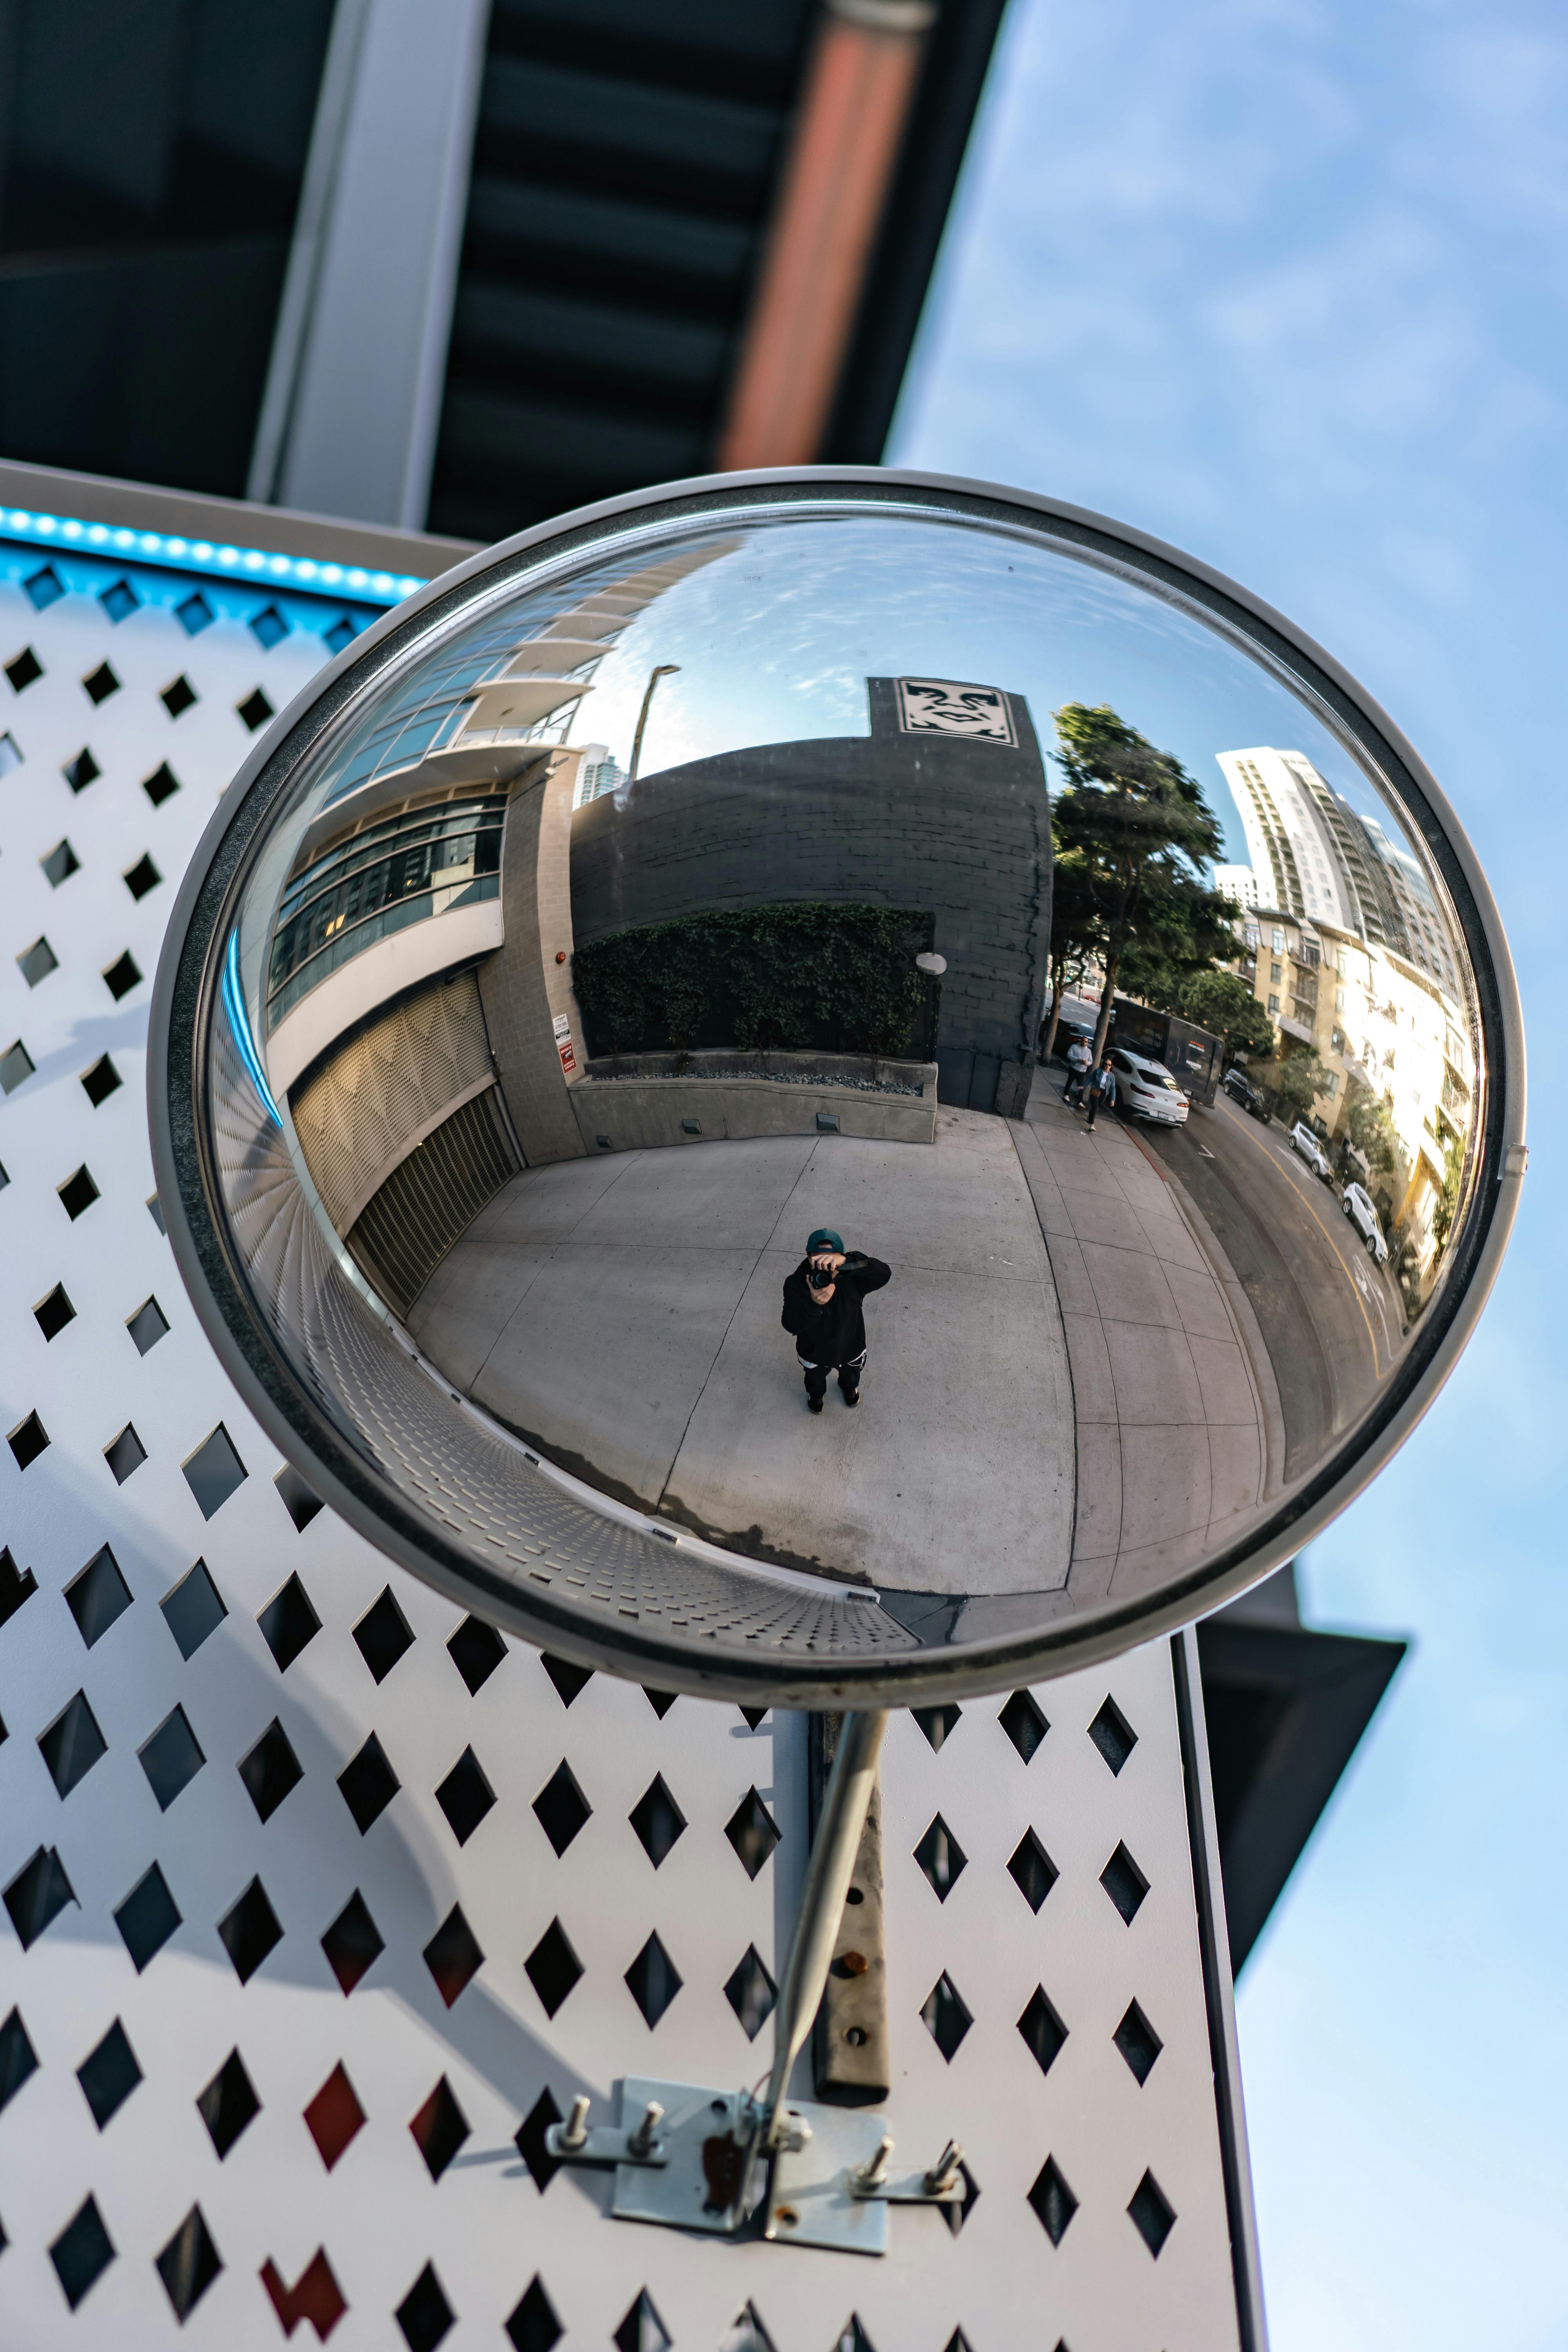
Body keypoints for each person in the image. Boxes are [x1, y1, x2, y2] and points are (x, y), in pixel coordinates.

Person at [780, 1227, 892, 1414]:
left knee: (851, 1375)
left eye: (830, 1261)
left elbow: (884, 1274)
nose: (823, 1268)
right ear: (809, 1257)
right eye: (818, 1261)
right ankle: (816, 1395)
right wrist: (814, 1304)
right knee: (814, 1378)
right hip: (814, 1351)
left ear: (839, 1259)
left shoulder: (853, 1279)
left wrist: (850, 1262)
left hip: (849, 1346)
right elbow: (791, 1324)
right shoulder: (796, 1283)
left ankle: (849, 1388)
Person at [1083, 1051, 1116, 1130]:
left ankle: (1090, 1116)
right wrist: (1083, 1086)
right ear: (1104, 1065)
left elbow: (1113, 1088)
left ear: (1111, 1066)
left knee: (1096, 1107)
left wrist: (1113, 1099)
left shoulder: (1112, 1076)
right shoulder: (1098, 1071)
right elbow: (1091, 1078)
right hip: (1095, 1091)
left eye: (1109, 1065)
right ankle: (1092, 1125)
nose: (1107, 1066)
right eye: (1106, 1064)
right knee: (1095, 1107)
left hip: (1104, 1093)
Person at [1062, 1032, 1093, 1104]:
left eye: (1086, 1042)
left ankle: (1080, 1101)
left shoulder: (1089, 1051)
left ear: (1088, 1043)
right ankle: (1066, 1095)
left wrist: (1087, 1063)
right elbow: (1069, 1055)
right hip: (1073, 1068)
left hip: (1082, 1071)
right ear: (1081, 1040)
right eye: (1083, 1041)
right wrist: (1078, 1060)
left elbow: (1091, 1061)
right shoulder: (1074, 1047)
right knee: (1070, 1082)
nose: (1084, 1042)